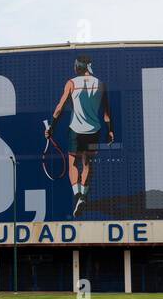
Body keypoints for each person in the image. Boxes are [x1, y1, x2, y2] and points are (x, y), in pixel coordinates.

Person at [44, 54, 114, 216]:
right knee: (87, 164)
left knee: (73, 163)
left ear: (78, 67)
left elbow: (59, 108)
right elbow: (106, 114)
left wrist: (52, 128)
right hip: (93, 131)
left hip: (76, 131)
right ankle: (83, 196)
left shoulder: (71, 83)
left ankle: (77, 193)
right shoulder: (100, 84)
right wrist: (111, 131)